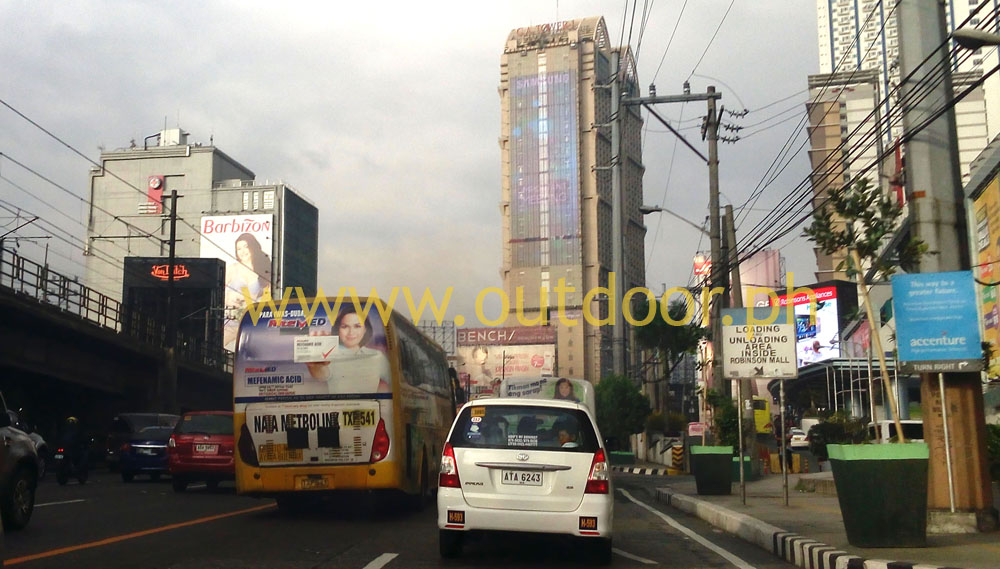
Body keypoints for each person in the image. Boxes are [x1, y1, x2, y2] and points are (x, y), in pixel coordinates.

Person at [306, 307, 390, 393]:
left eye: (357, 326)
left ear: (365, 329)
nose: (351, 332)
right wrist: (315, 363)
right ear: (338, 329)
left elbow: (393, 381)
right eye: (345, 326)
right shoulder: (331, 355)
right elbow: (320, 374)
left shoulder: (377, 356)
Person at [223, 233, 272, 349]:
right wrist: (227, 297)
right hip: (231, 322)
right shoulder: (232, 269)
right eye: (239, 249)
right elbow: (217, 289)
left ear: (253, 247)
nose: (242, 251)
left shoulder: (263, 270)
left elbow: (269, 297)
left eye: (246, 247)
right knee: (218, 347)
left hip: (252, 324)